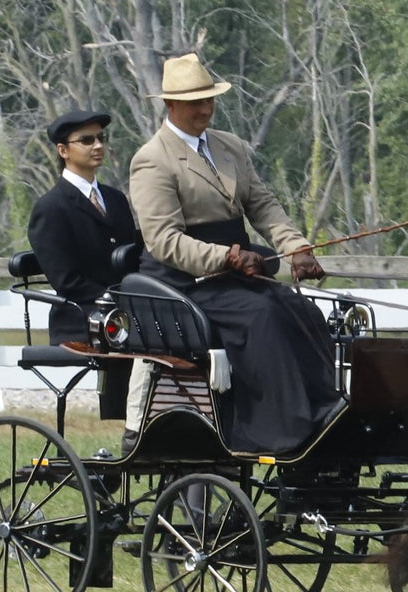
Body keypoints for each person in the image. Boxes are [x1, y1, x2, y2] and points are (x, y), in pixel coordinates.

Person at [129, 53, 340, 453]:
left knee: (301, 309)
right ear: (170, 104)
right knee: (263, 315)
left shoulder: (230, 147)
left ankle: (324, 406)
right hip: (183, 281)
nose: (206, 109)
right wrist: (226, 257)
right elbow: (164, 240)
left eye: (209, 99)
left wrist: (295, 248)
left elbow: (262, 204)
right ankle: (281, 428)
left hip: (232, 272)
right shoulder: (152, 160)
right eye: (195, 102)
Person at [28, 109, 146, 428]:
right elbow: (66, 280)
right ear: (63, 150)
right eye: (87, 140)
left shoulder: (116, 200)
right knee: (144, 332)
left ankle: (159, 424)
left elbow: (132, 257)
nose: (98, 146)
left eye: (101, 138)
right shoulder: (51, 208)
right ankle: (134, 426)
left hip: (124, 309)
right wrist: (120, 300)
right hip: (81, 315)